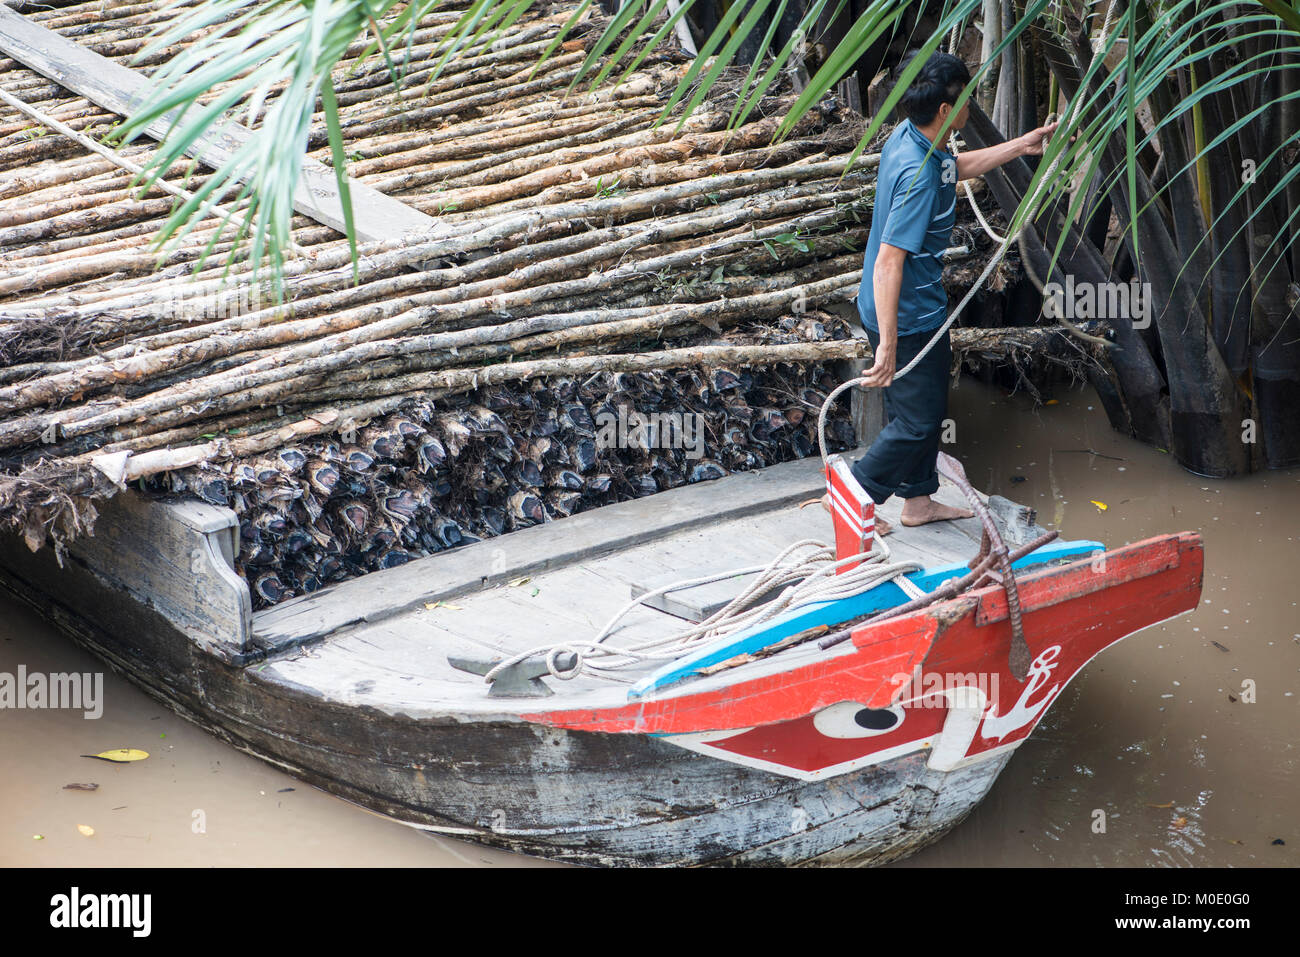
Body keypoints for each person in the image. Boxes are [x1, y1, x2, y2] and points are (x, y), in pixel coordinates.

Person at [846, 51, 1057, 535]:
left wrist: (1020, 146)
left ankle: (918, 502)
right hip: (907, 313)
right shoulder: (917, 178)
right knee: (917, 424)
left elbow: (955, 167)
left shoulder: (916, 139)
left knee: (920, 409)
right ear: (945, 110)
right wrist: (889, 342)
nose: (971, 106)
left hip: (917, 308)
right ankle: (852, 497)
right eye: (966, 99)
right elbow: (888, 261)